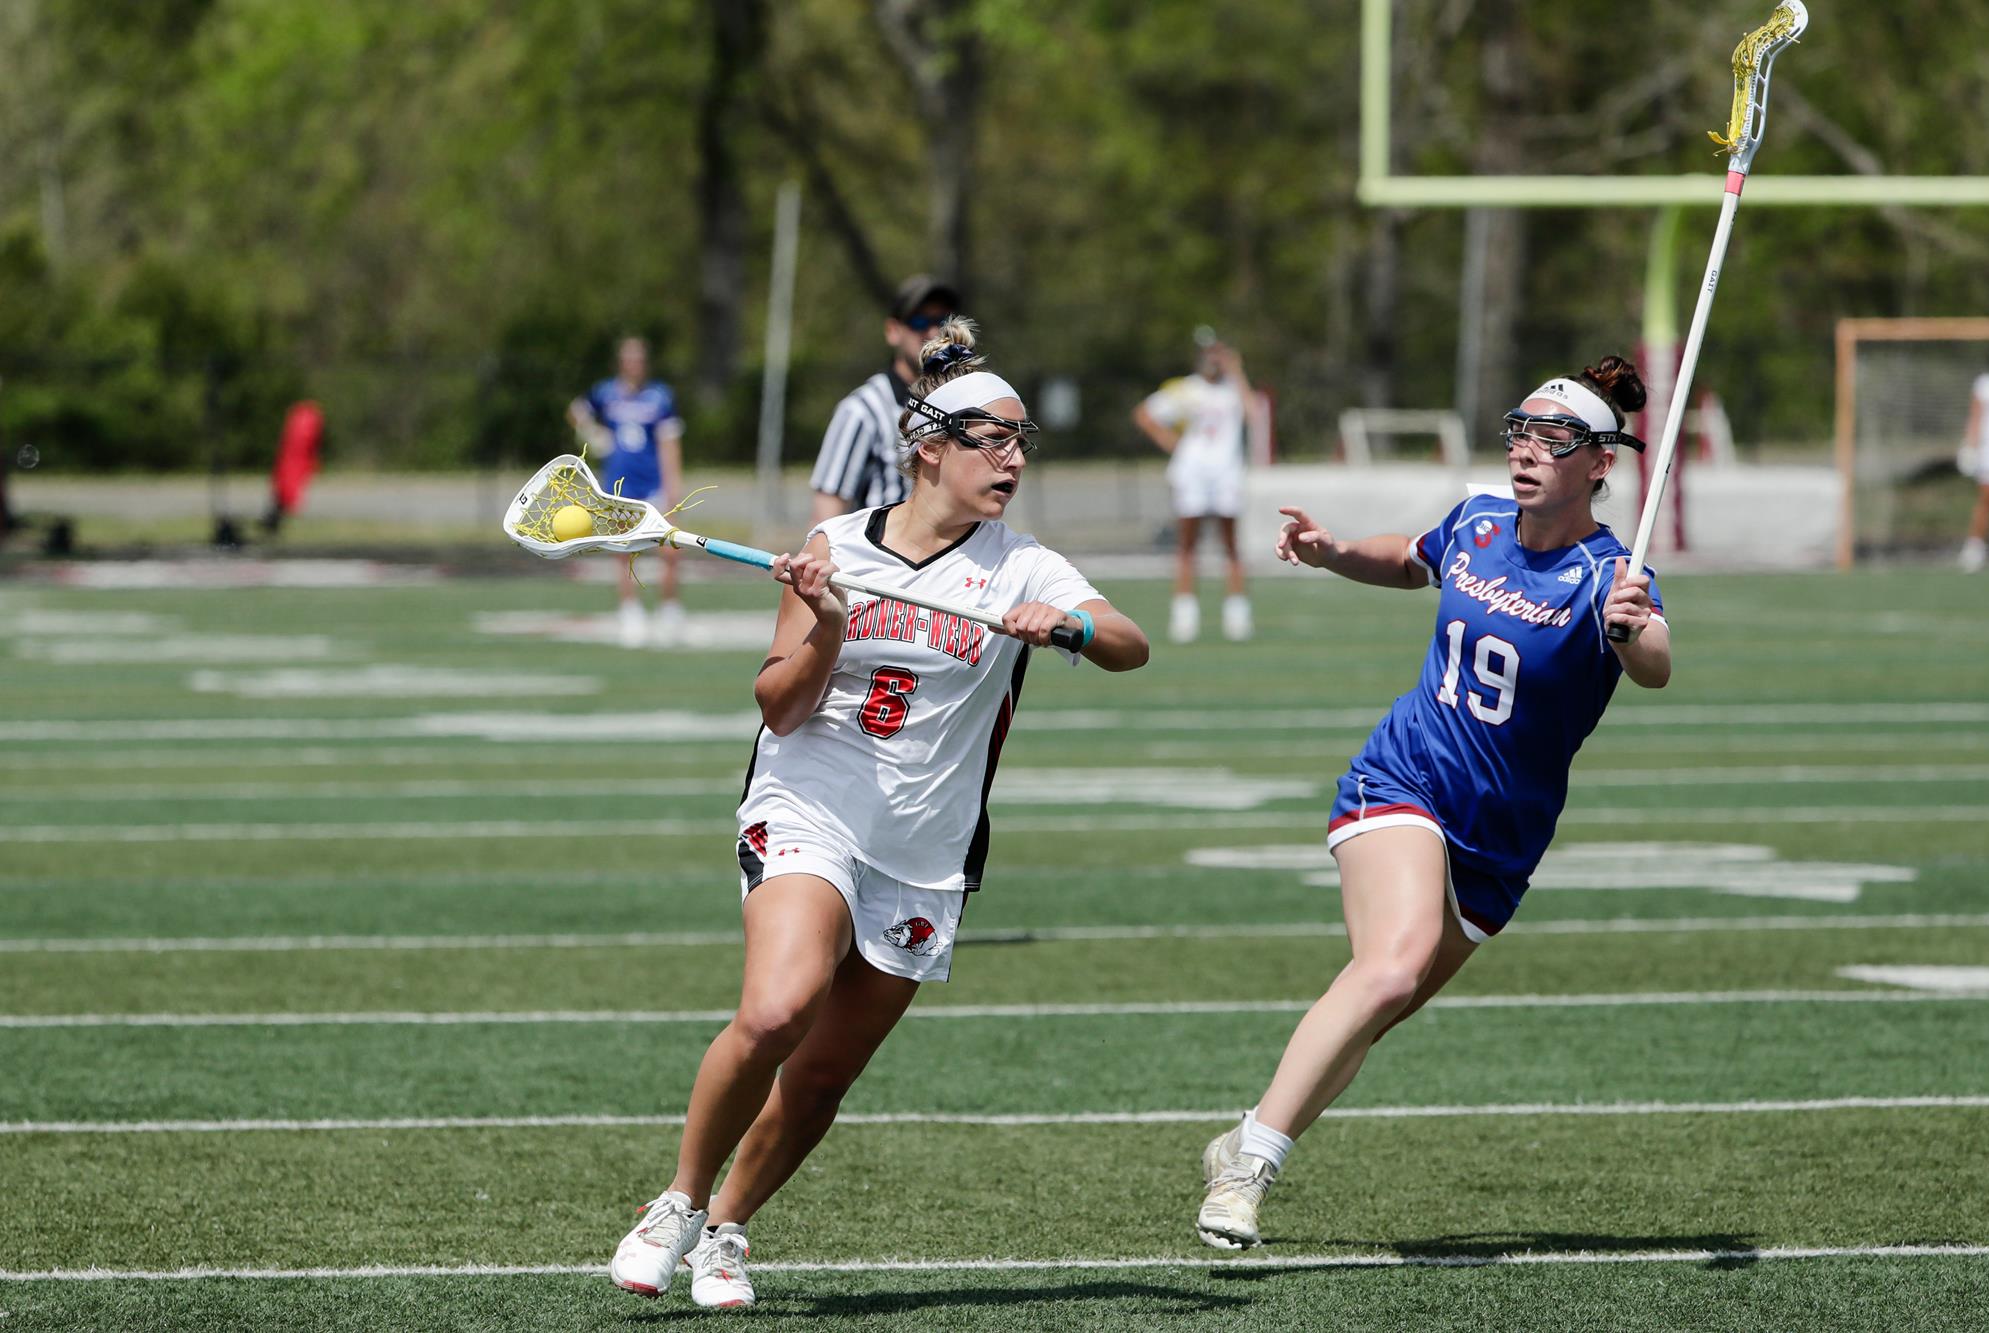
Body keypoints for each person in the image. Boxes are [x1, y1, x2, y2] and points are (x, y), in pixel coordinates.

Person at [607, 318, 1148, 1308]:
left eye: (1023, 442)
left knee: (819, 1078)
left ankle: (727, 1229)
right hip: (809, 802)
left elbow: (1127, 642)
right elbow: (778, 703)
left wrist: (1064, 623)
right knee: (777, 1008)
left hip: (926, 849)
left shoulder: (1020, 564)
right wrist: (823, 620)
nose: (1014, 460)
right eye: (996, 440)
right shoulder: (834, 546)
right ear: (930, 448)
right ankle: (676, 1202)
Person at [1195, 356, 1671, 1250]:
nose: (1528, 452)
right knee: (1391, 964)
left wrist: (1633, 625)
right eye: (1520, 433)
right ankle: (1249, 1165)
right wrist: (1335, 552)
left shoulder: (1611, 575)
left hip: (1500, 839)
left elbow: (1656, 665)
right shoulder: (1479, 519)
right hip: (1403, 780)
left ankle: (1250, 1128)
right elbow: (1413, 560)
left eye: (1554, 439)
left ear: (1600, 463)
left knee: (1381, 1004)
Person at [1133, 334, 1258, 643]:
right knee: (1187, 545)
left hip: (1226, 474)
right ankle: (1185, 614)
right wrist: (1171, 443)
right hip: (1193, 475)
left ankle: (1237, 614)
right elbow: (1145, 414)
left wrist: (1237, 372)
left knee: (1231, 546)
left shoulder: (1232, 390)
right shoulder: (1186, 389)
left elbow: (1254, 413)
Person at [808, 274, 962, 526]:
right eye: (920, 321)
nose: (934, 332)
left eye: (943, 321)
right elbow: (826, 517)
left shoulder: (961, 403)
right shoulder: (861, 410)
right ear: (893, 331)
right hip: (880, 562)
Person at [569, 336, 685, 646]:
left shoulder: (659, 397)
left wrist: (673, 484)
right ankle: (629, 609)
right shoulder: (606, 392)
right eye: (629, 359)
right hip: (620, 485)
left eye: (639, 359)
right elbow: (577, 410)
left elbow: (669, 442)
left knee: (669, 547)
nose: (634, 365)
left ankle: (669, 609)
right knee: (624, 551)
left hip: (652, 482)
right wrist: (593, 435)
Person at [1957, 351, 1989, 573]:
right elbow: (1975, 416)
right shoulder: (1987, 385)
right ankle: (1975, 547)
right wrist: (1970, 446)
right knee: (1987, 498)